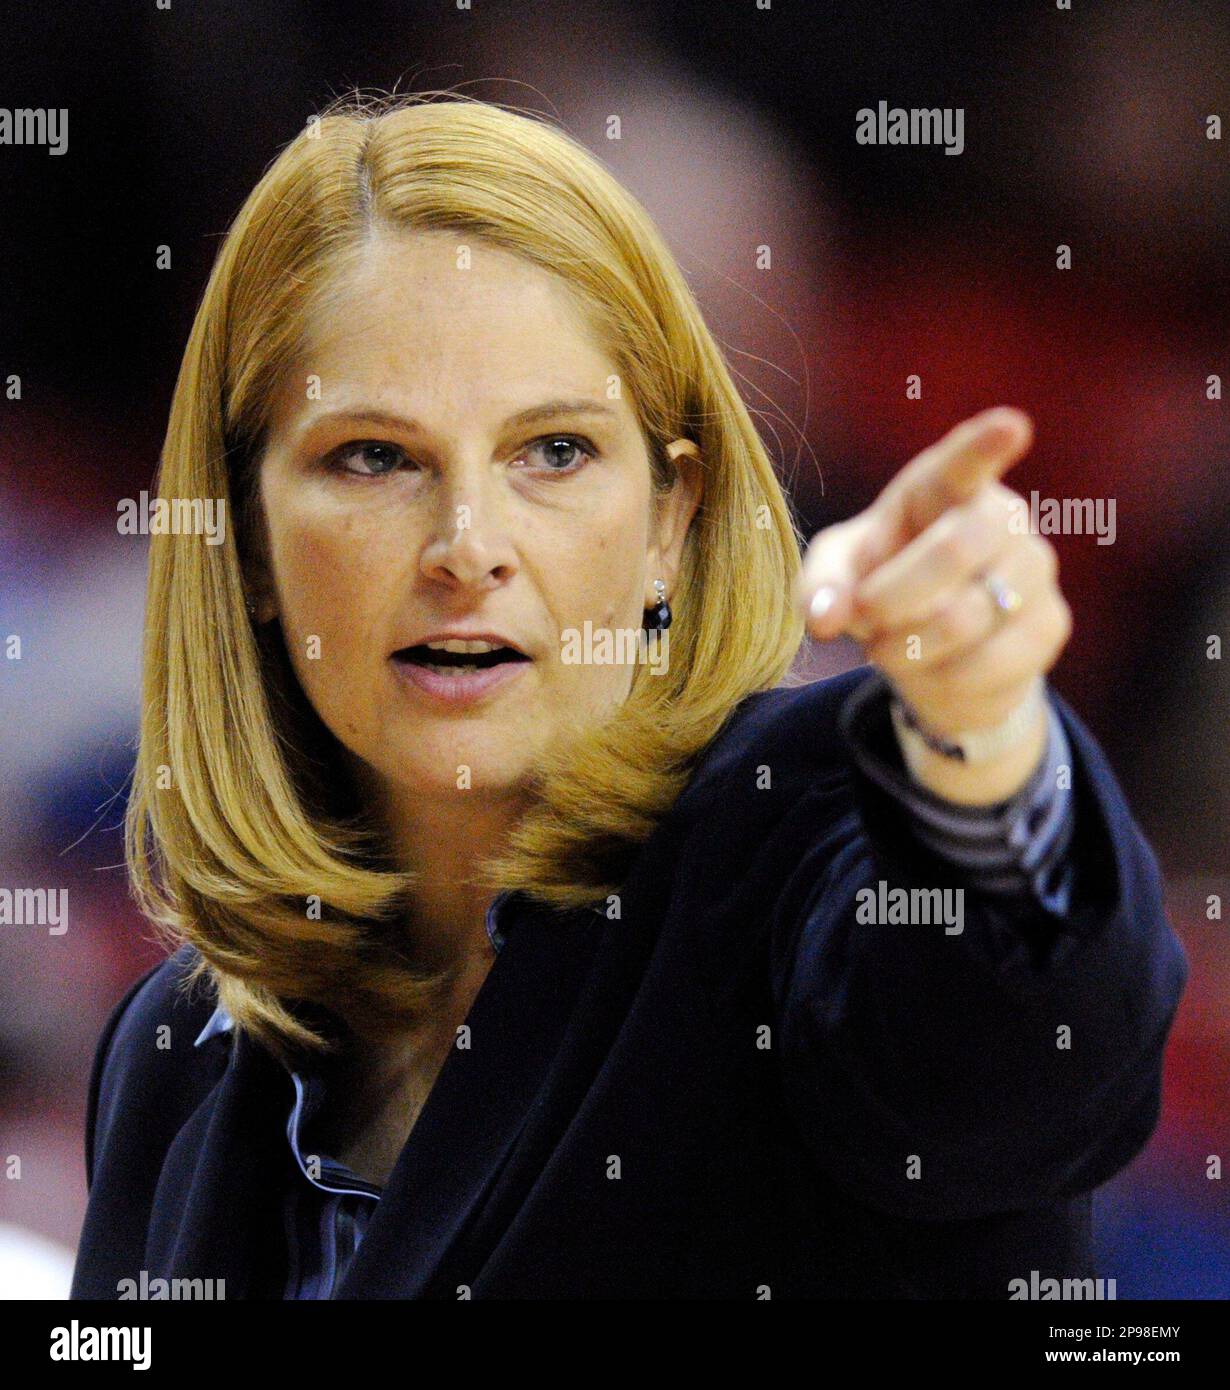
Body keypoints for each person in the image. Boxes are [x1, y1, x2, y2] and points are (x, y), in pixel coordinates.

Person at [70, 92, 1186, 1300]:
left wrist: (978, 737)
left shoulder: (791, 840)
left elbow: (1019, 1068)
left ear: (671, 518)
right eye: (374, 456)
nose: (466, 546)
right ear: (245, 544)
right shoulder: (176, 1056)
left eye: (553, 451)